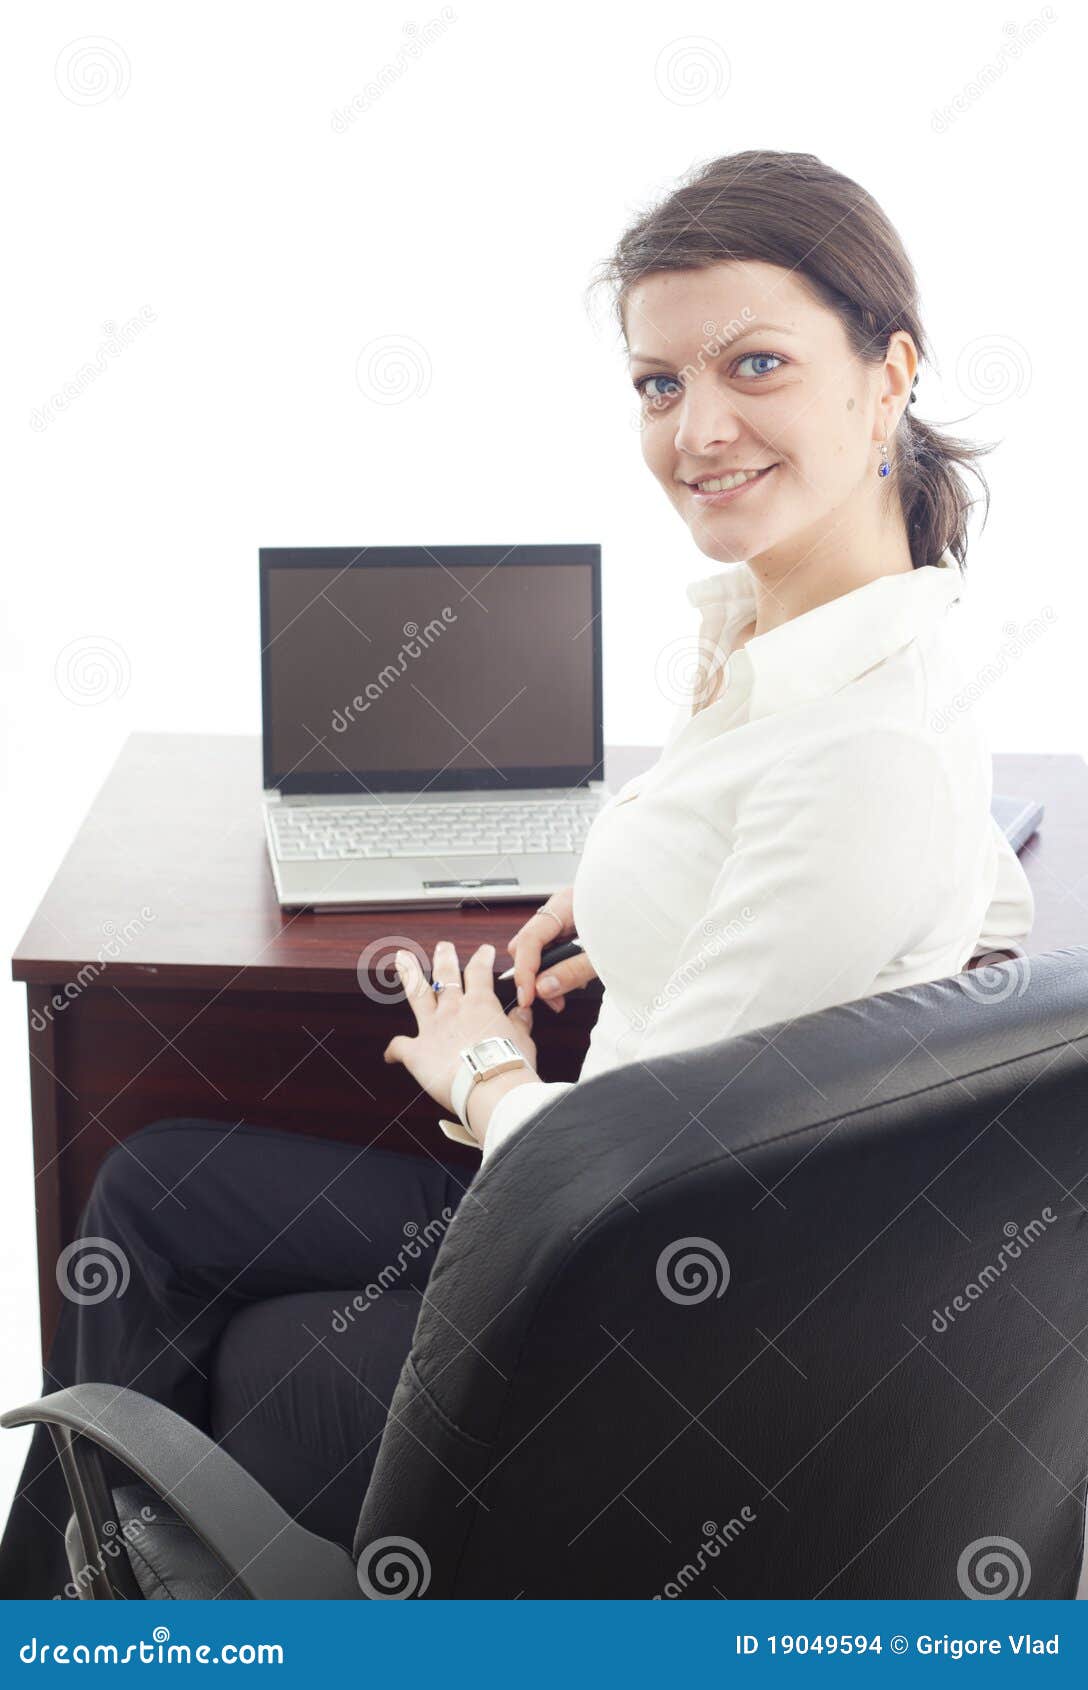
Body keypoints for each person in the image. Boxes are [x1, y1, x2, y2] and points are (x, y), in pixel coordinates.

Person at [0, 148, 1033, 1597]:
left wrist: (483, 1067)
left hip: (620, 1315)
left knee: (244, 1354)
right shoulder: (817, 639)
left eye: (754, 364)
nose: (697, 428)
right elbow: (954, 878)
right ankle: (82, 1581)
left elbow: (626, 1178)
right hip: (598, 1228)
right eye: (659, 384)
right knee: (153, 1191)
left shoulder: (858, 749)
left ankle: (94, 1599)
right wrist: (641, 899)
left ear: (888, 373)